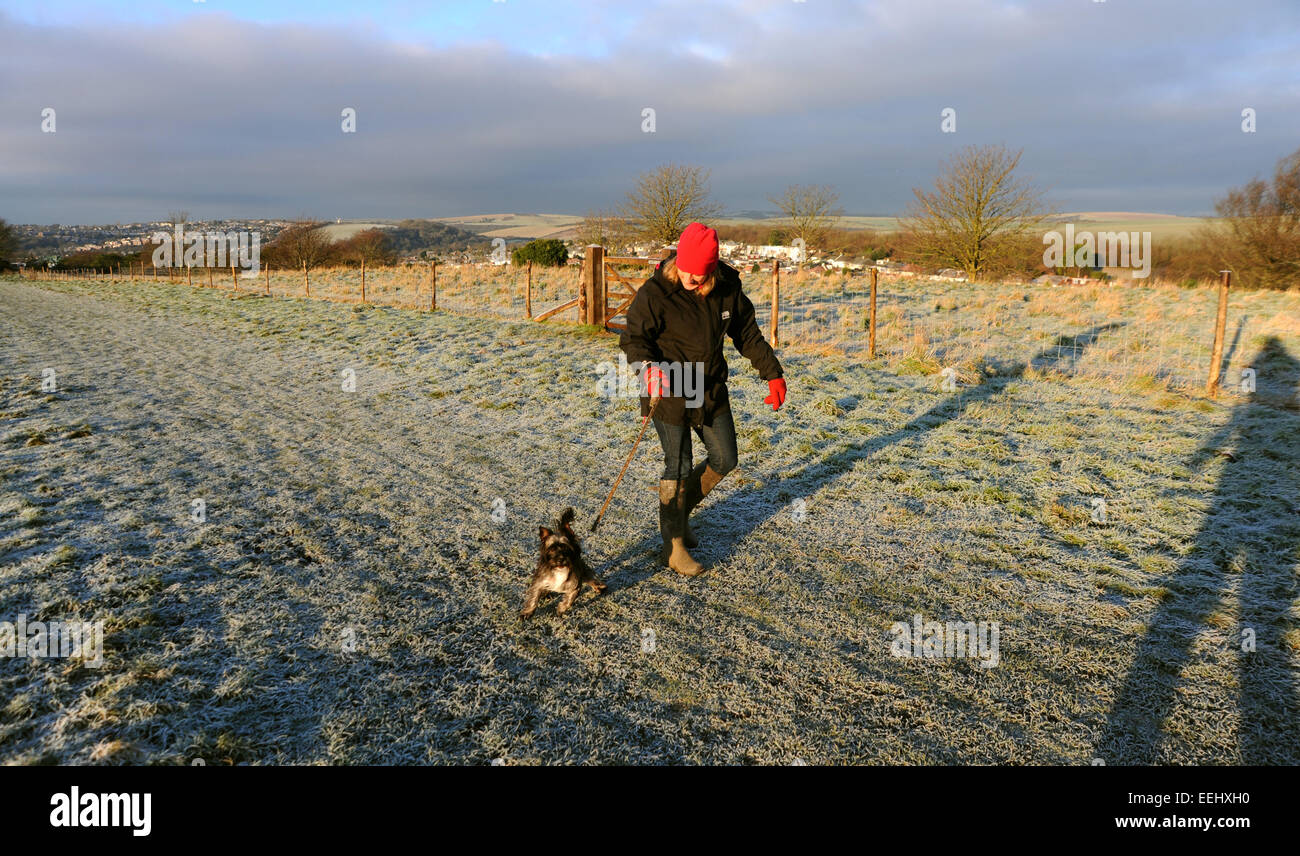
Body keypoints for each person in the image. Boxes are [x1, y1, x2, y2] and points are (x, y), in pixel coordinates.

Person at [619, 222, 786, 576]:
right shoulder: (655, 293)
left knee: (725, 458)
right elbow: (634, 339)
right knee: (677, 466)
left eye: (701, 271)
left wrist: (772, 373)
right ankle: (673, 544)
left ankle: (680, 513)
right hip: (668, 388)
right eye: (687, 269)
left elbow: (747, 335)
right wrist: (648, 369)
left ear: (713, 267)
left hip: (709, 387)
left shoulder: (727, 289)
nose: (692, 277)